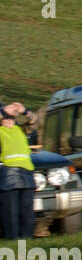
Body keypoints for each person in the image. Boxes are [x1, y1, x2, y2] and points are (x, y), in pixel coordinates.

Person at [0, 101, 36, 240]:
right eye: (6, 118)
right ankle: (12, 240)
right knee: (11, 212)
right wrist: (4, 111)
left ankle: (27, 239)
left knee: (27, 211)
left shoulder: (21, 129)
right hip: (8, 175)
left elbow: (34, 120)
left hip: (26, 173)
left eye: (12, 118)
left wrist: (24, 111)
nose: (9, 121)